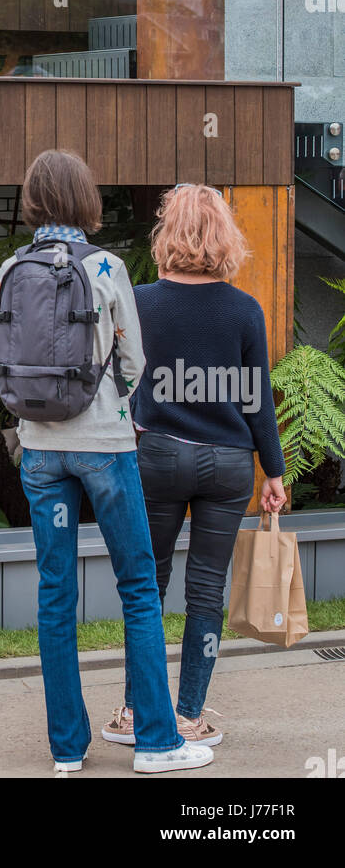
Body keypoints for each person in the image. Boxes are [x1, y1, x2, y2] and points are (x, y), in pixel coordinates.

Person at [9, 151, 213, 775]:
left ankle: (67, 750)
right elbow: (133, 363)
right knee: (138, 588)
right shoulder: (107, 266)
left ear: (35, 201)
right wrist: (114, 405)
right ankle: (156, 742)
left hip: (40, 450)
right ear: (85, 200)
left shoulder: (11, 268)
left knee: (54, 596)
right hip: (104, 448)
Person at [103, 184, 287, 751]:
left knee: (147, 585)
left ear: (168, 235)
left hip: (156, 457)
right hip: (229, 465)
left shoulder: (138, 302)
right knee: (205, 592)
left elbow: (118, 381)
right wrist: (273, 473)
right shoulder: (244, 310)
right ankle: (187, 716)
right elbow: (257, 400)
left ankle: (137, 711)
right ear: (224, 238)